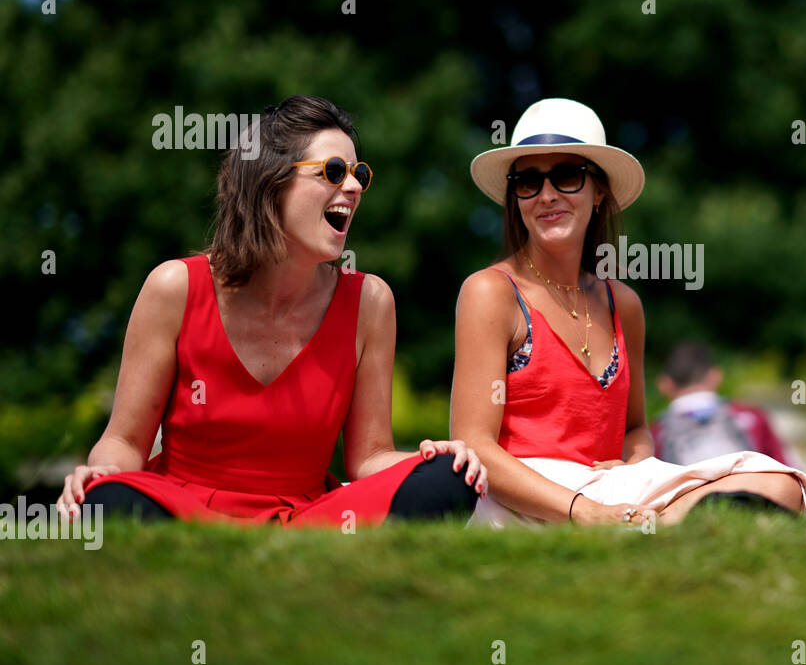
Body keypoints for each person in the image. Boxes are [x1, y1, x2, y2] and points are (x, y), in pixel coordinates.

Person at [59, 96, 486, 526]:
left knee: (448, 478)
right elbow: (125, 441)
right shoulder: (175, 286)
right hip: (184, 510)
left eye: (359, 174)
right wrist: (102, 474)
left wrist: (432, 457)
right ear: (270, 183)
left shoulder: (370, 302)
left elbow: (369, 458)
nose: (355, 187)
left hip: (307, 519)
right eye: (334, 172)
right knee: (106, 500)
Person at [451, 97, 806, 527]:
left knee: (779, 485)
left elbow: (635, 429)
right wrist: (585, 510)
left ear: (599, 191)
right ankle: (652, 528)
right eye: (528, 181)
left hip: (613, 489)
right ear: (515, 195)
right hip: (526, 496)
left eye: (567, 175)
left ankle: (642, 527)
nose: (546, 195)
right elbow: (473, 444)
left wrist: (634, 461)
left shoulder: (622, 304)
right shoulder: (491, 291)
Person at [652, 340, 801, 470]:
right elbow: (789, 467)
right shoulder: (751, 417)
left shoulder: (656, 431)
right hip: (747, 495)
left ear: (664, 384)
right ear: (715, 376)